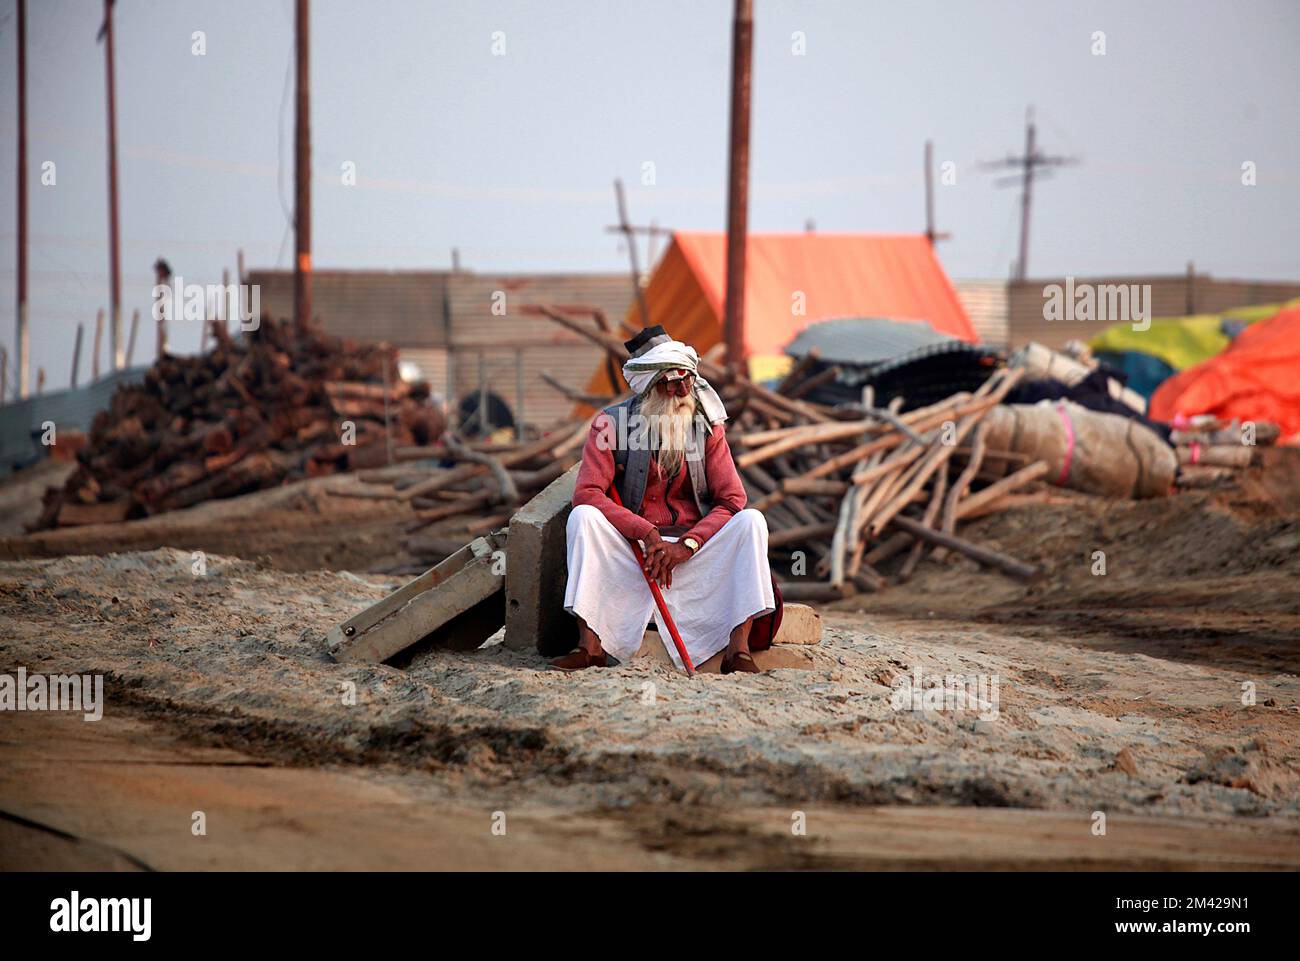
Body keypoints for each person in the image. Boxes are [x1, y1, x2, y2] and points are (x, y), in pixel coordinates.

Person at [552, 326, 781, 674]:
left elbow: (733, 499)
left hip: (696, 552)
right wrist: (645, 532)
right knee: (582, 517)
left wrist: (688, 544)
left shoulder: (707, 426)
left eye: (686, 380)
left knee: (752, 522)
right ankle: (591, 647)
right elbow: (588, 493)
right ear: (649, 389)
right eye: (671, 383)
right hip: (635, 552)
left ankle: (738, 651)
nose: (682, 391)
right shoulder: (609, 425)